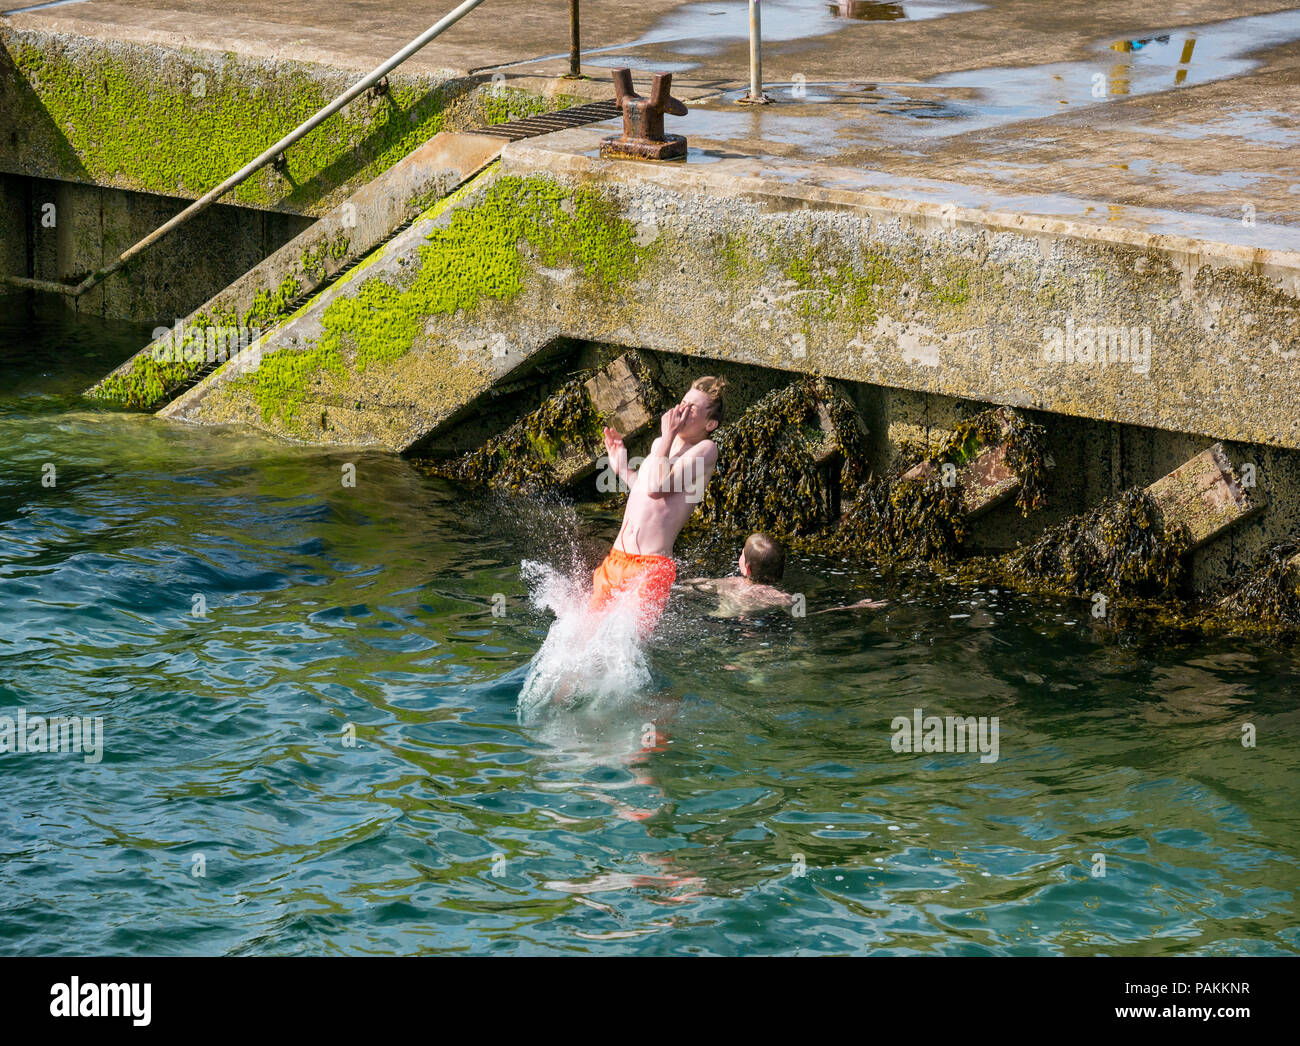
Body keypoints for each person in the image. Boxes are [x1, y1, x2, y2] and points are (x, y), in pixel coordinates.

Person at [589, 376, 725, 636]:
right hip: (617, 558)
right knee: (586, 637)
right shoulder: (659, 446)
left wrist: (668, 435)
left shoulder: (706, 450)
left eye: (692, 408)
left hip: (650, 567)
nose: (682, 410)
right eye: (683, 403)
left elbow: (657, 487)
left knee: (625, 645)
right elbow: (645, 490)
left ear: (710, 424)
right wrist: (622, 468)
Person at [681, 532, 888, 619]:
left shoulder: (726, 584)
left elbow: (693, 586)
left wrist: (680, 583)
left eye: (742, 555)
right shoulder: (779, 597)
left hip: (722, 620)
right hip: (757, 629)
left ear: (747, 568)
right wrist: (855, 606)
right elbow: (811, 613)